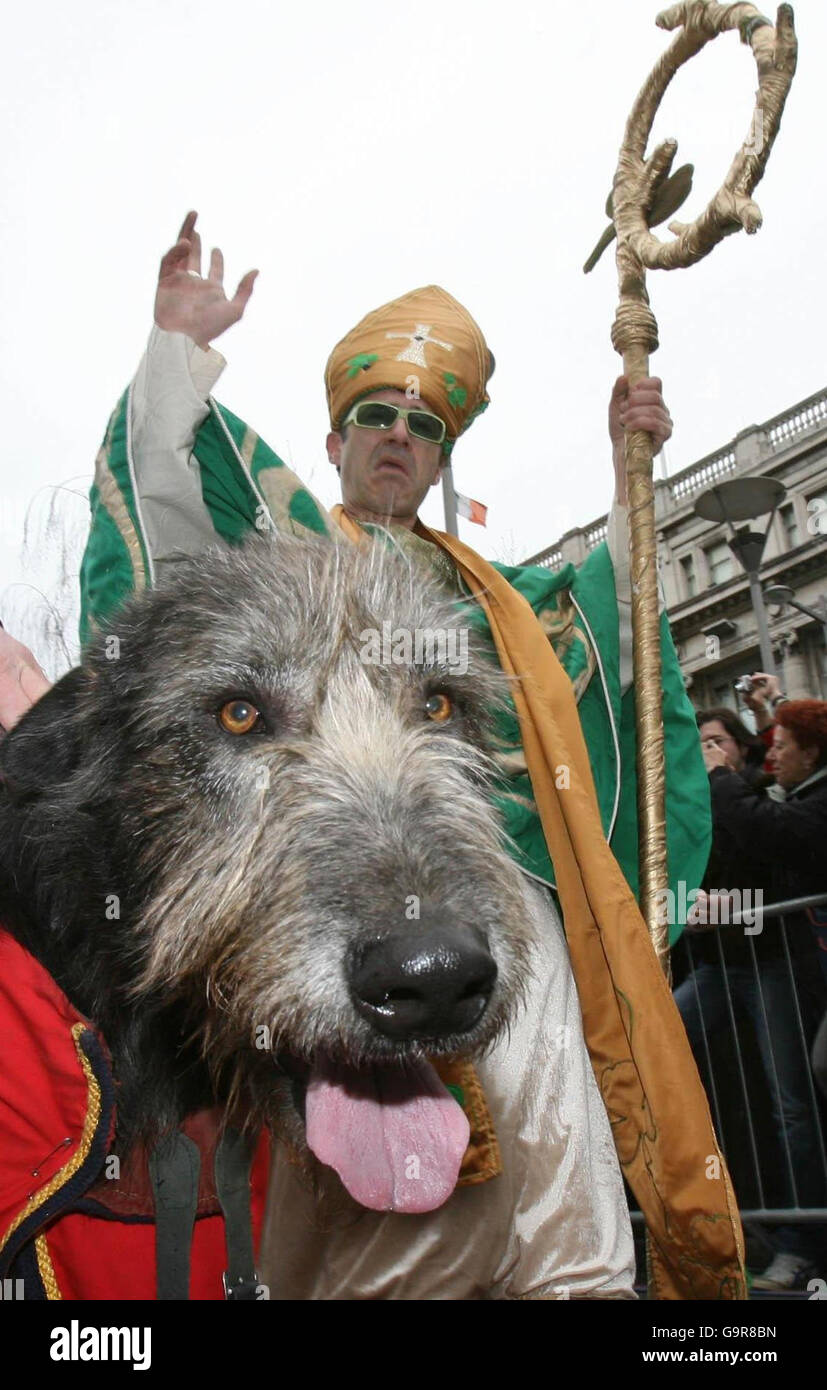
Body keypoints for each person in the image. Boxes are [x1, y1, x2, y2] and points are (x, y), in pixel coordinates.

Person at [25, 213, 748, 1299]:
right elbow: (165, 528)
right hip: (341, 940)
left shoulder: (501, 597)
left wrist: (626, 475)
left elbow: (608, 626)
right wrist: (175, 349)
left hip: (518, 937)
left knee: (571, 1225)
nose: (398, 437)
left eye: (421, 423)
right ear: (334, 442)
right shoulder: (278, 546)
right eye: (375, 416)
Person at [700, 699, 827, 1290]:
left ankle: (802, 1241)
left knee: (791, 1105)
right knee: (653, 1050)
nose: (706, 753)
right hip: (717, 966)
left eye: (716, 741)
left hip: (773, 963)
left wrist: (724, 778)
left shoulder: (758, 794)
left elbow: (776, 850)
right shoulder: (706, 800)